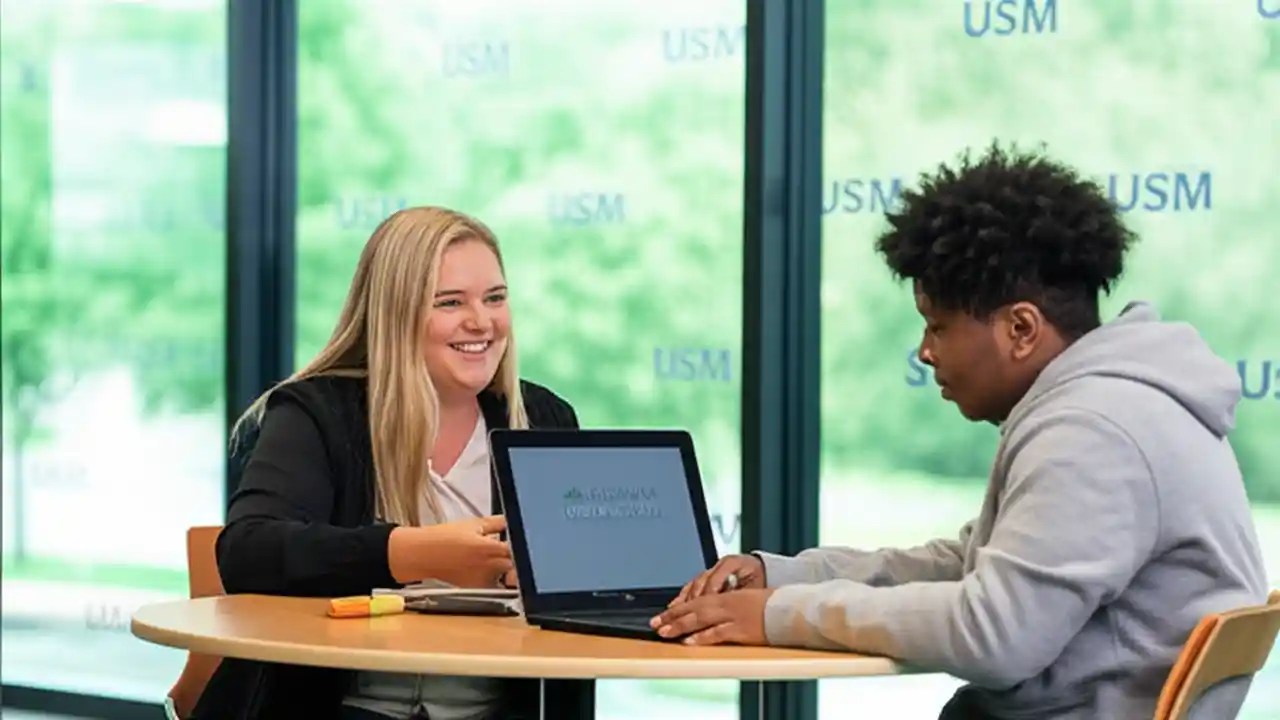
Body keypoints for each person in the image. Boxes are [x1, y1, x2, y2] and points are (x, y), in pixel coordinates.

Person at [652, 144, 1267, 719]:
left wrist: (781, 616)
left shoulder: (1093, 433)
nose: (923, 352)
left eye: (939, 327)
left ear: (1021, 329)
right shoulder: (1117, 406)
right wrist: (788, 578)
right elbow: (969, 567)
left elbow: (994, 634)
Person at [191, 206, 579, 720]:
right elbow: (248, 551)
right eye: (449, 302)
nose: (481, 322)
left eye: (495, 298)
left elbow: (585, 583)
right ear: (396, 311)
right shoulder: (317, 412)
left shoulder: (545, 419)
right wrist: (413, 553)